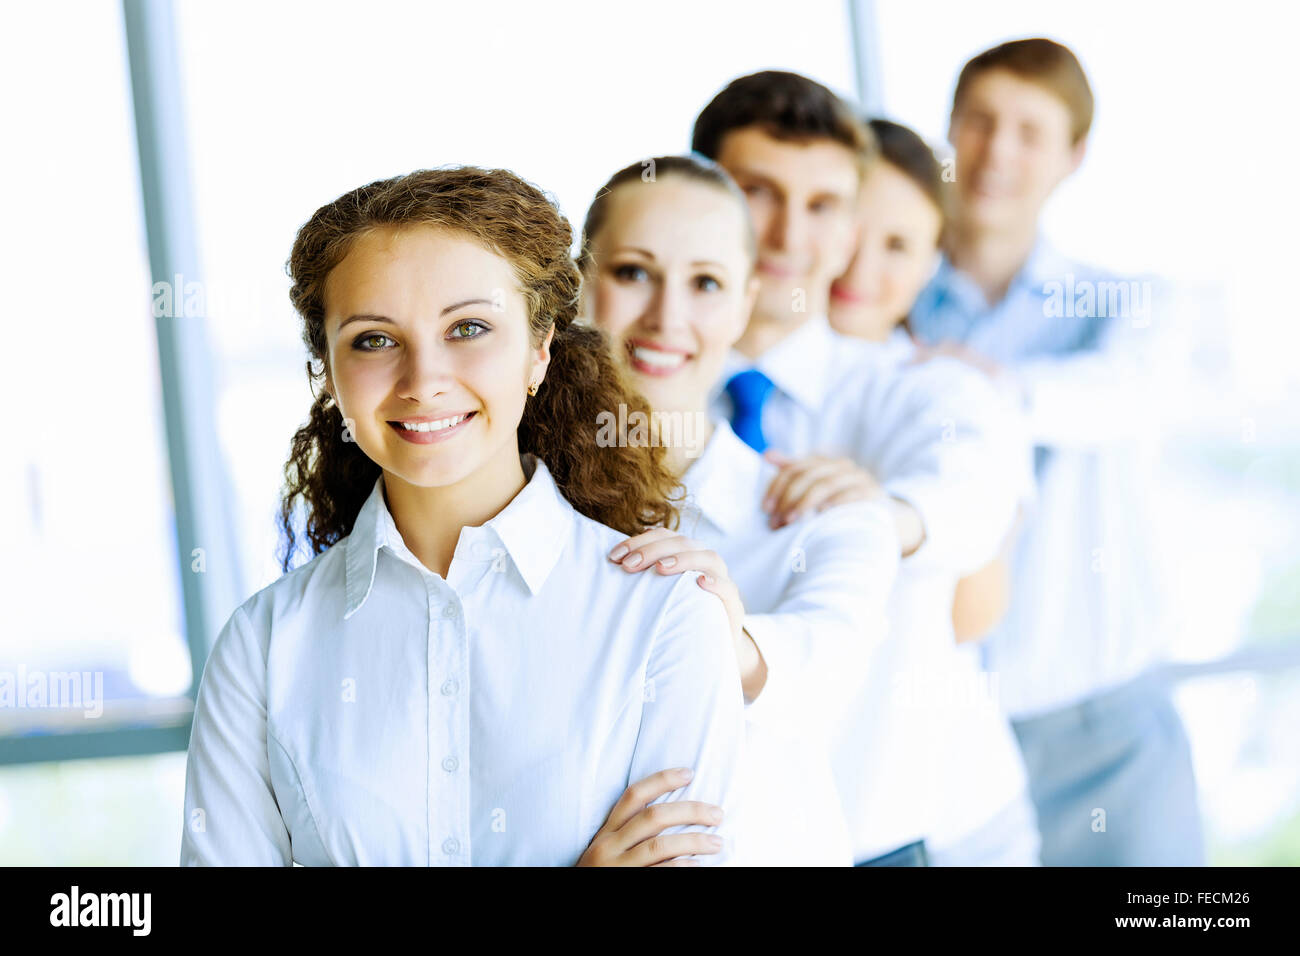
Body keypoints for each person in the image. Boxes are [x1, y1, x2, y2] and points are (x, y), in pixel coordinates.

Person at [180, 166, 746, 867]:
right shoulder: (262, 648)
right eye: (373, 339)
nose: (424, 382)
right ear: (327, 368)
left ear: (540, 349)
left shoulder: (662, 618)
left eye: (469, 328)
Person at [692, 70, 1029, 865]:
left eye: (822, 207)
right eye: (756, 194)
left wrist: (890, 517)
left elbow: (973, 495)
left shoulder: (922, 388)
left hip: (871, 837)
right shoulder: (627, 395)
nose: (786, 236)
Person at [908, 38, 1203, 865]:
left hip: (1107, 731)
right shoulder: (897, 312)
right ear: (950, 135)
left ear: (1073, 157)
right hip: (951, 736)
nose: (998, 151)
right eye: (979, 122)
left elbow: (1126, 393)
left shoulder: (1124, 306)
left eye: (1031, 132)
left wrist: (981, 387)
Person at [580, 154, 900, 865]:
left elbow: (826, 668)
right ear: (578, 283)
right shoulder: (509, 515)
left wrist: (726, 633)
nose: (667, 317)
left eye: (706, 284)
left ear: (746, 299)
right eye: (633, 272)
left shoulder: (832, 521)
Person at [827, 117, 1040, 865]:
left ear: (930, 265)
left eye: (898, 246)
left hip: (951, 815)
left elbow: (971, 611)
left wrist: (877, 522)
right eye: (846, 229)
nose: (858, 265)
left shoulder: (955, 395)